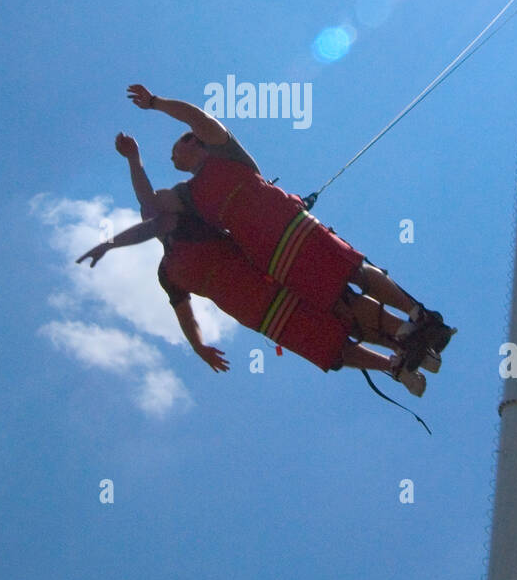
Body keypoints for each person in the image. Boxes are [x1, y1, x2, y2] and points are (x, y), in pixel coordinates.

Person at [125, 83, 452, 369]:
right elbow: (150, 206)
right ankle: (404, 337)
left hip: (290, 225)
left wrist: (155, 102)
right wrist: (133, 160)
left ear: (193, 142)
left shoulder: (223, 150)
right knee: (336, 298)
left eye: (175, 150)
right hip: (271, 255)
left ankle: (419, 314)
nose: (172, 159)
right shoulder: (188, 196)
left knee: (352, 269)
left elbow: (195, 116)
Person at [76, 134, 432, 394]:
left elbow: (151, 204)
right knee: (328, 345)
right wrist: (200, 347)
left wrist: (133, 161)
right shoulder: (168, 272)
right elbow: (185, 315)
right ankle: (395, 363)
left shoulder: (195, 221)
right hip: (262, 310)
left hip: (277, 275)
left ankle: (408, 332)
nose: (153, 217)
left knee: (343, 302)